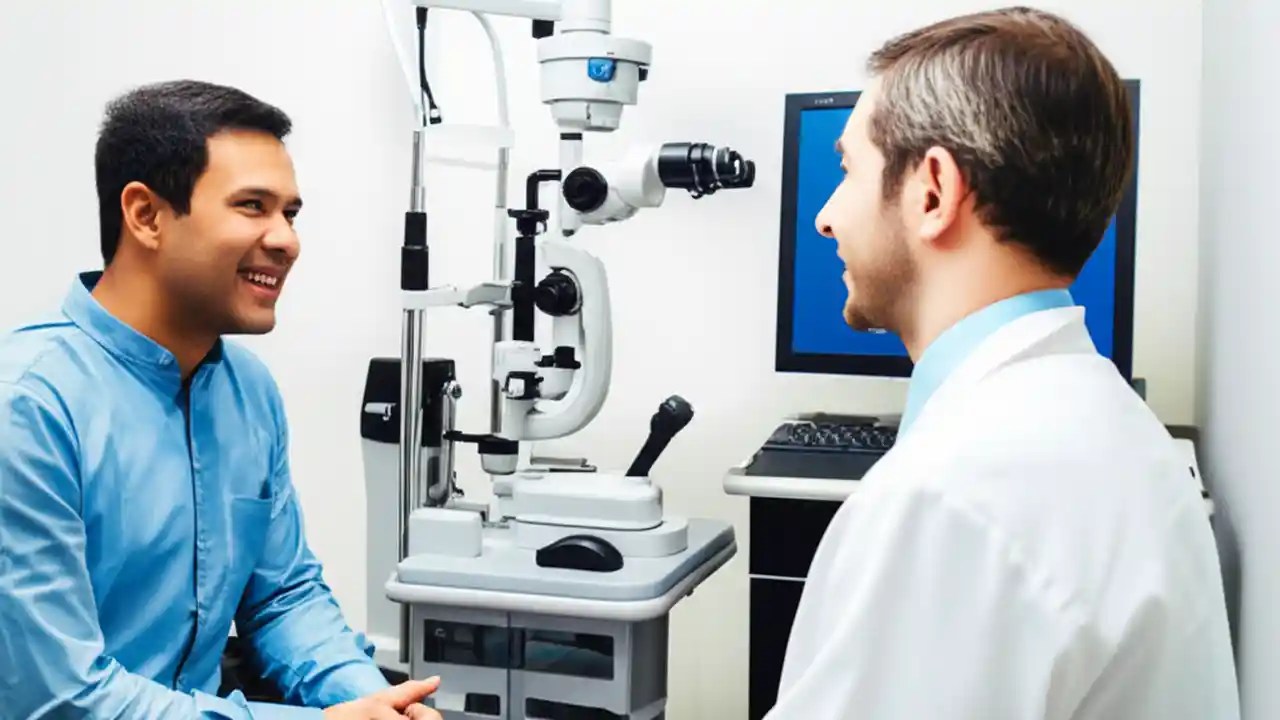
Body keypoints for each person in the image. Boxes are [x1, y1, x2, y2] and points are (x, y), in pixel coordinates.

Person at [767, 7, 1240, 719]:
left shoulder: (951, 498)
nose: (826, 215)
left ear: (933, 191)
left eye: (848, 169)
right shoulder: (1114, 428)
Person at [0, 80, 441, 719]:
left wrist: (373, 700)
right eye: (252, 206)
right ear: (146, 215)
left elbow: (283, 597)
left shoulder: (247, 392)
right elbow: (59, 696)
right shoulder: (29, 406)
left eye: (289, 213)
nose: (286, 239)